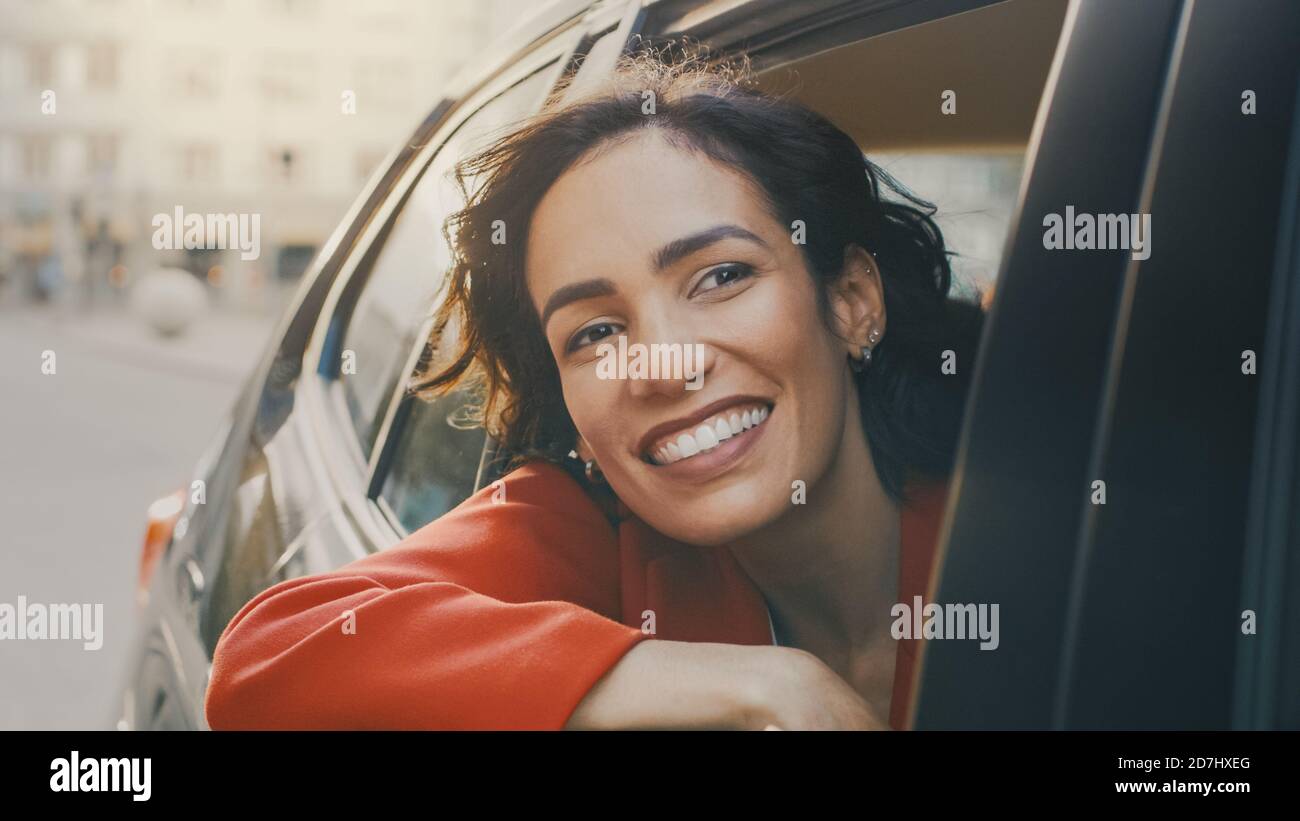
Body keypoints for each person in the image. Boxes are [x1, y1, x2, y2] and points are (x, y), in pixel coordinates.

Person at [204, 46, 983, 730]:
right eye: (595, 332)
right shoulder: (595, 527)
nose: (663, 364)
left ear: (850, 301)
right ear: (571, 408)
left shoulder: (1048, 529)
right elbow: (265, 660)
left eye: (720, 276)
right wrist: (744, 683)